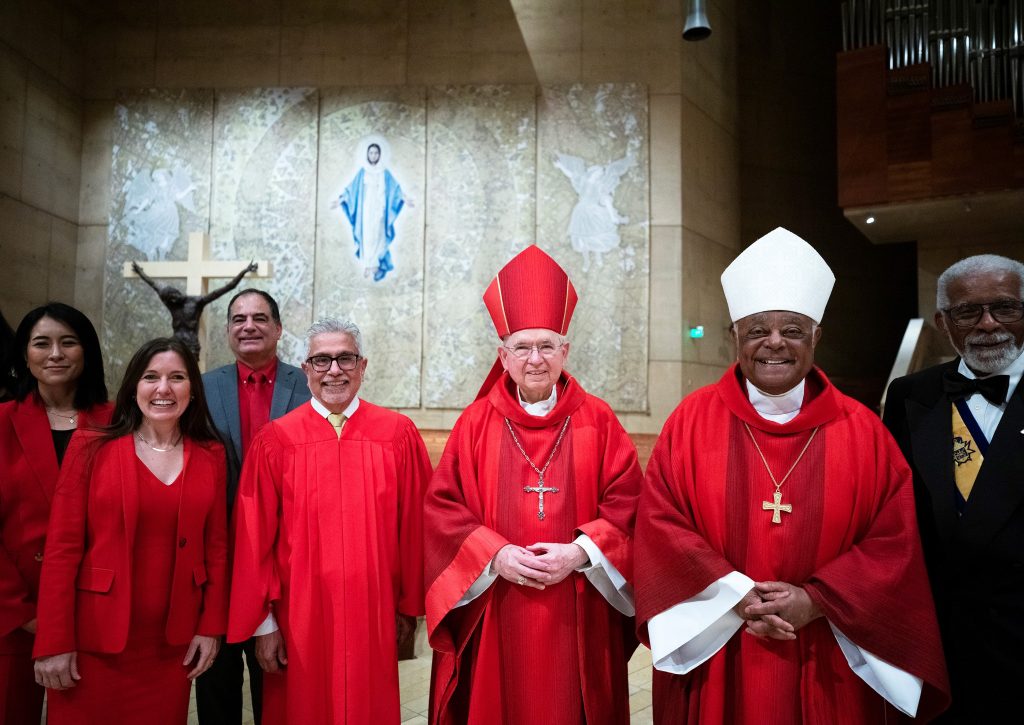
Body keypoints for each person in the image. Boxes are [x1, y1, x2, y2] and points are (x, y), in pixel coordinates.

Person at [635, 227, 950, 723]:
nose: (774, 343)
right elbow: (659, 526)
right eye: (758, 329)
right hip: (721, 644)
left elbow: (895, 543)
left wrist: (818, 599)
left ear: (817, 337)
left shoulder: (863, 431)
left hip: (829, 649)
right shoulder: (690, 423)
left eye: (793, 330)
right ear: (735, 335)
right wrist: (734, 596)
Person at [424, 245, 643, 724]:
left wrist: (582, 553)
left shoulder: (599, 421)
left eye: (547, 345)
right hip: (496, 607)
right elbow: (443, 510)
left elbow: (629, 506)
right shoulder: (476, 423)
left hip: (579, 605)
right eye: (522, 347)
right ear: (503, 356)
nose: (536, 358)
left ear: (565, 351)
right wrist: (495, 555)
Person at [227, 318, 431, 724]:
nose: (334, 370)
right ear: (305, 370)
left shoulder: (398, 435)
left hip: (373, 615)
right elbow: (254, 539)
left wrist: (409, 608)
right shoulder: (275, 441)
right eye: (321, 360)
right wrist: (264, 624)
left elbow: (416, 527)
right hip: (297, 617)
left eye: (345, 359)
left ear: (363, 366)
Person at [32, 338, 228, 725]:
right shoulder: (90, 446)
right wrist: (53, 641)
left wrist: (211, 627)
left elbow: (217, 549)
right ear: (134, 387)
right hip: (93, 643)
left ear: (192, 389)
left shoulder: (211, 454)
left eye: (177, 377)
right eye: (151, 377)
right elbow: (62, 549)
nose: (163, 388)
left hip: (171, 648)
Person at [883, 254, 1024, 723]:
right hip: (935, 642)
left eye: (1005, 307)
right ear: (944, 322)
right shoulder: (909, 396)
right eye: (968, 311)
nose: (988, 324)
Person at [195, 288, 310, 725]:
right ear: (227, 331)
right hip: (220, 559)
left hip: (284, 558)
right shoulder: (204, 388)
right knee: (217, 683)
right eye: (238, 319)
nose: (249, 326)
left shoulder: (307, 386)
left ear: (278, 329)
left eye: (259, 318)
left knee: (277, 683)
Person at [0, 303, 111, 725]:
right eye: (41, 343)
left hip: (93, 614)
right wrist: (27, 614)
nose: (56, 354)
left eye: (69, 342)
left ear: (87, 352)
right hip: (13, 617)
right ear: (24, 354)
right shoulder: (2, 422)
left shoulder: (116, 420)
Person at [131, 259, 258, 358]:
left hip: (191, 346)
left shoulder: (196, 302)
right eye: (172, 299)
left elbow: (227, 288)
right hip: (175, 345)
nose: (176, 298)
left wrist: (244, 271)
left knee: (191, 377)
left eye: (176, 295)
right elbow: (153, 284)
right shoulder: (172, 305)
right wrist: (140, 272)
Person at [337, 138, 408, 282]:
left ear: (380, 155)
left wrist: (404, 198)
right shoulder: (363, 172)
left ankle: (376, 264)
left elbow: (396, 189)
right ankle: (368, 264)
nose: (373, 155)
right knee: (367, 236)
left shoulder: (385, 172)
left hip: (380, 209)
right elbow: (351, 190)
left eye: (376, 153)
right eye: (371, 153)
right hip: (366, 209)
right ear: (367, 154)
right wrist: (341, 199)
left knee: (378, 235)